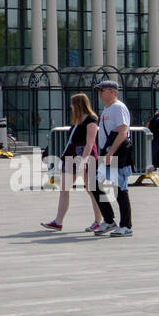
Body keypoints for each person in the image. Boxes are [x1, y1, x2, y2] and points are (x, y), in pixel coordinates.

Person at [42, 93, 103, 233]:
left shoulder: (91, 120)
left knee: (92, 190)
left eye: (72, 104)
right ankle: (58, 221)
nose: (70, 106)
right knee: (64, 188)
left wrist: (84, 161)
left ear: (78, 104)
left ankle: (98, 221)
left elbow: (90, 143)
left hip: (85, 157)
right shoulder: (77, 121)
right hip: (71, 155)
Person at [93, 80, 133, 237]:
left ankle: (126, 225)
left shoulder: (118, 107)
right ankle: (109, 220)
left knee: (119, 188)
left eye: (101, 90)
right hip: (107, 153)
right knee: (95, 184)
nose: (99, 93)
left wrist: (110, 154)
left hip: (116, 153)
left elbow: (122, 132)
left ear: (111, 91)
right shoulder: (107, 109)